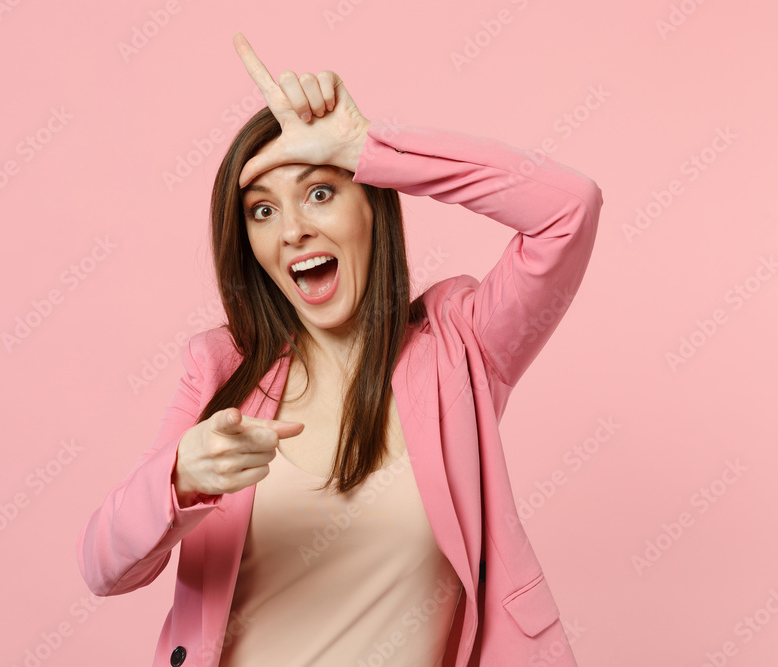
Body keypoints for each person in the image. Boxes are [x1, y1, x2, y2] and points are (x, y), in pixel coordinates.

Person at [77, 32, 603, 667]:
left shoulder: (461, 349)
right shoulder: (221, 370)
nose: (294, 228)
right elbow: (106, 567)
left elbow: (568, 209)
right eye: (262, 210)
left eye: (320, 192)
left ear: (372, 205)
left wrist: (369, 148)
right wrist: (180, 477)